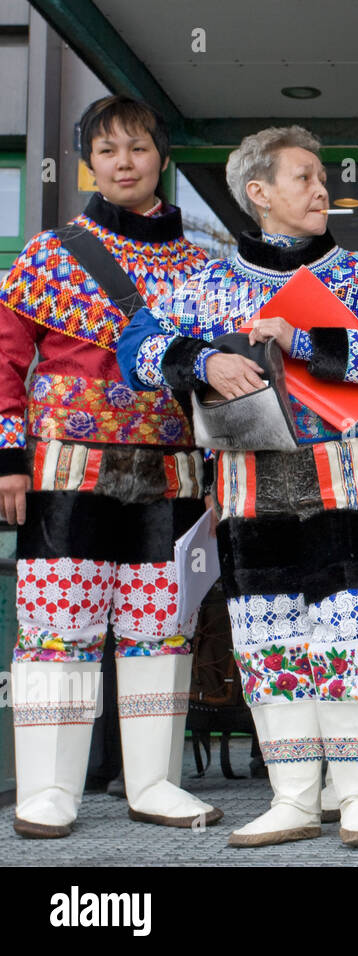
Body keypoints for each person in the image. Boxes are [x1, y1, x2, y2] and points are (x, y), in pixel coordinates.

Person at [117, 125, 358, 848]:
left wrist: (302, 339)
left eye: (321, 178)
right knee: (270, 643)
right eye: (305, 178)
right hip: (250, 484)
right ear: (258, 194)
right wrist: (201, 362)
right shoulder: (210, 283)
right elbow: (137, 347)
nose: (321, 191)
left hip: (345, 476)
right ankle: (292, 796)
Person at [0, 95, 218, 838]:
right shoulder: (48, 253)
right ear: (89, 162)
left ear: (163, 157)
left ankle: (153, 781)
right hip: (66, 467)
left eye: (138, 148)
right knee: (58, 627)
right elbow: (5, 360)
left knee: (162, 629)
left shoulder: (203, 268)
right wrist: (7, 460)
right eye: (107, 151)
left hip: (175, 469)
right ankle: (48, 791)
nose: (123, 163)